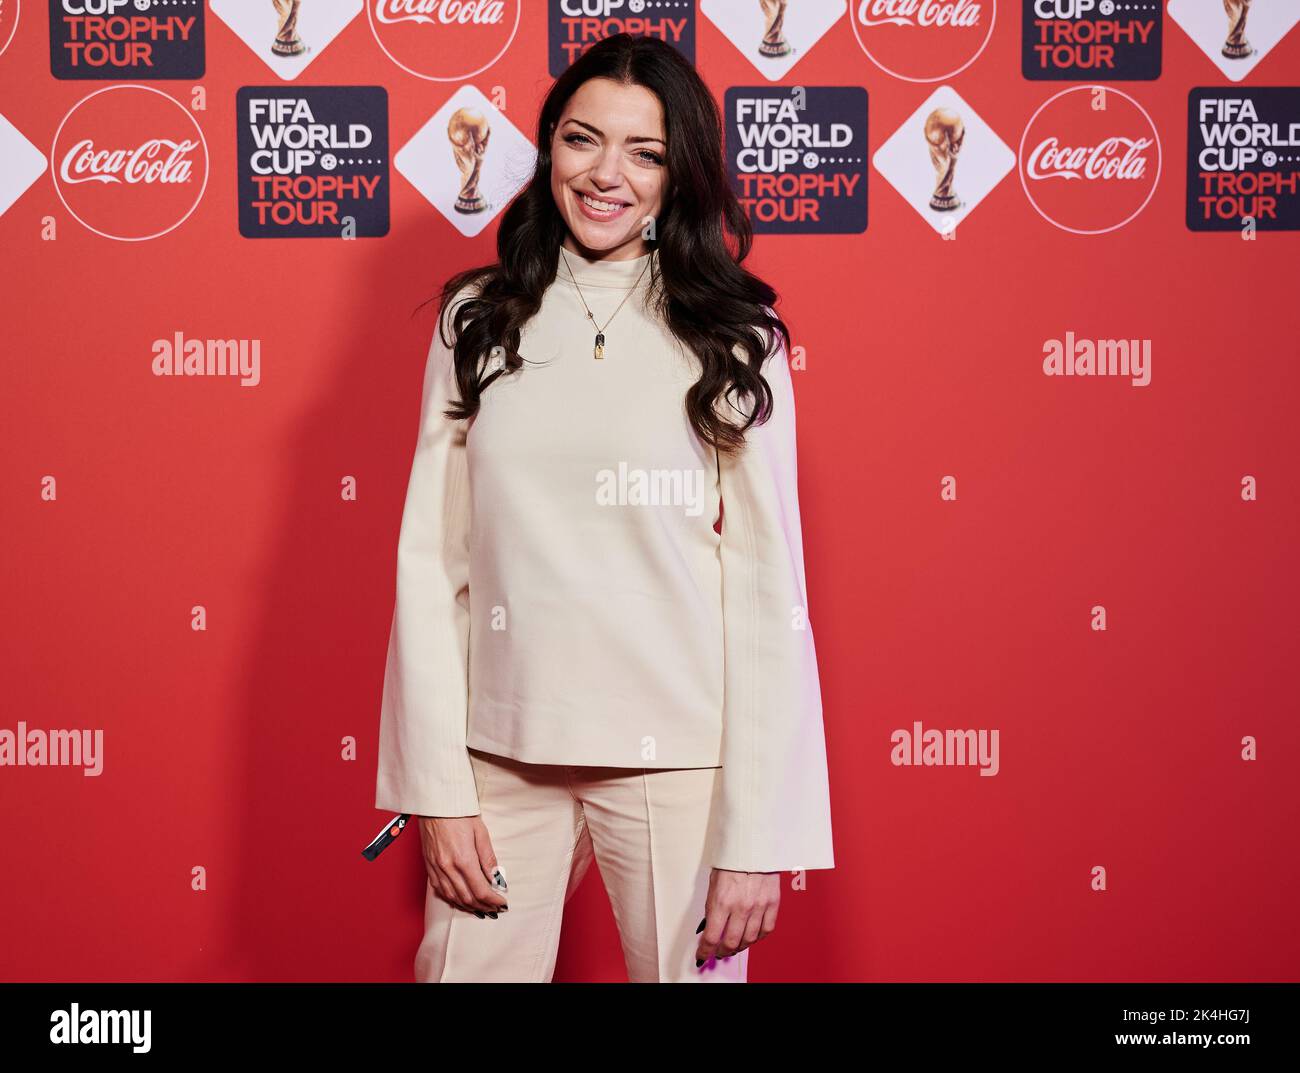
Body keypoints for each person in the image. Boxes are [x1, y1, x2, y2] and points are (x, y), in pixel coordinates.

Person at [375, 33, 834, 983]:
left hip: (680, 764)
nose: (606, 174)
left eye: (646, 152)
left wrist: (758, 833)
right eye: (583, 140)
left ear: (682, 174)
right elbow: (432, 566)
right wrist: (434, 787)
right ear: (549, 149)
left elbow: (765, 593)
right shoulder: (479, 317)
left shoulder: (734, 337)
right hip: (499, 754)